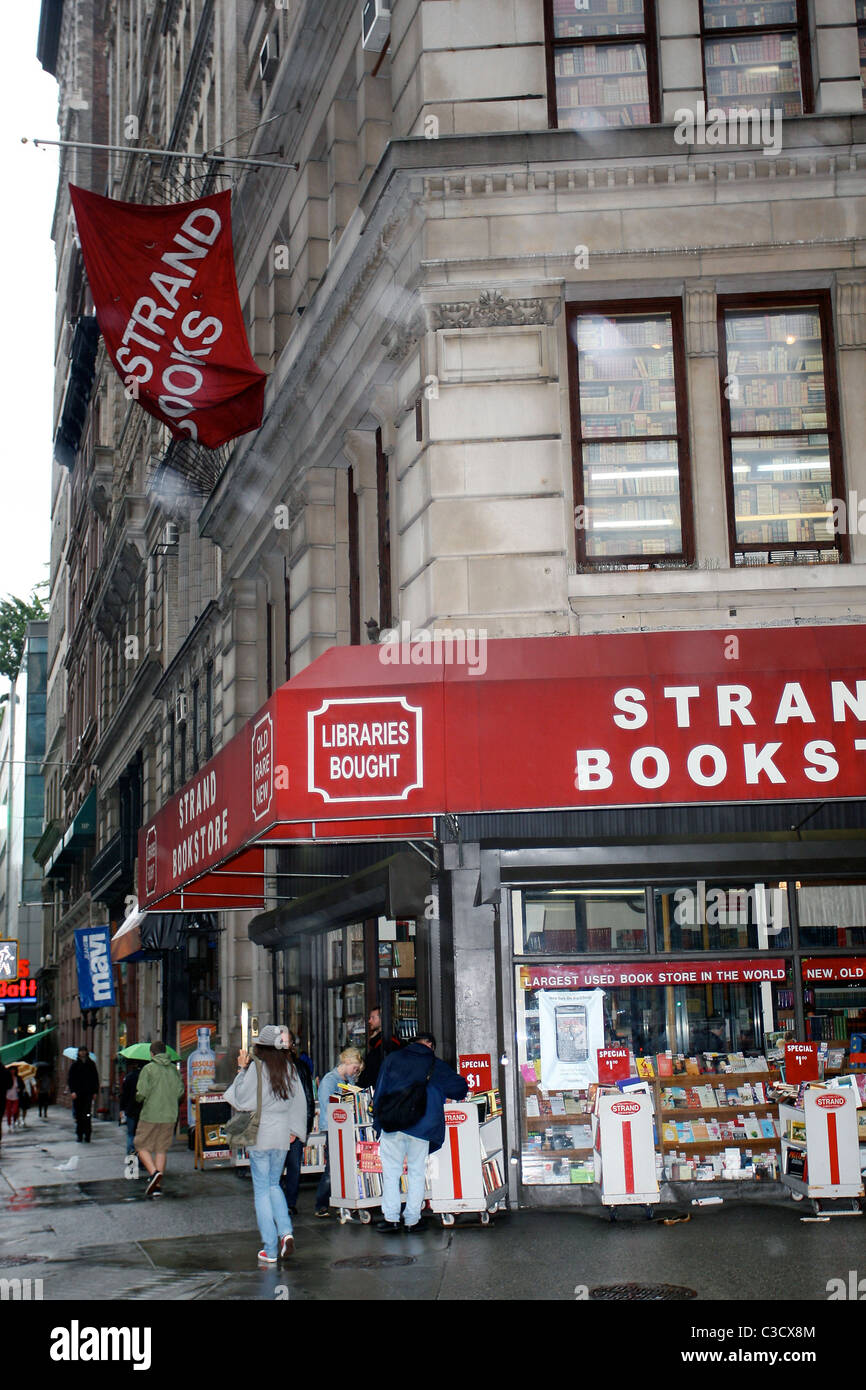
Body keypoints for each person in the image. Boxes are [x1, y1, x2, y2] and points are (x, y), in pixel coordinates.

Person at [224, 1024, 308, 1265]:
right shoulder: (289, 1068)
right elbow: (299, 1101)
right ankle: (286, 1232)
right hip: (282, 1134)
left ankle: (270, 1248)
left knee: (261, 1190)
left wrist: (241, 1069)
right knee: (274, 1185)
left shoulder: (256, 1068)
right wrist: (294, 1130)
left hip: (261, 1133)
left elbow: (241, 1100)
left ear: (260, 1046)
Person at [373, 1031, 468, 1234]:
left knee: (391, 1173)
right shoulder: (435, 1064)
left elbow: (380, 1091)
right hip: (422, 1127)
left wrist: (378, 1124)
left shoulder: (393, 1059)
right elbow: (460, 1088)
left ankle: (391, 1218)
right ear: (430, 1046)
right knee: (416, 1173)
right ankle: (412, 1220)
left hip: (393, 1124)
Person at [314, 1046, 362, 1217]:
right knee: (333, 1166)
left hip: (343, 1126)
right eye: (355, 1068)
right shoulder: (329, 1080)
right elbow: (327, 1106)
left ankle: (335, 1200)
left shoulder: (347, 1080)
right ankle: (321, 1203)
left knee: (340, 1165)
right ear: (347, 1062)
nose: (355, 1072)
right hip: (334, 1127)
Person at [134, 1041, 184, 1196]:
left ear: (151, 1054)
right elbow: (180, 1092)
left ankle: (153, 1173)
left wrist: (138, 1099)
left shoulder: (148, 1069)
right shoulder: (173, 1070)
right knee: (161, 1149)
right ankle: (157, 1186)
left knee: (140, 1145)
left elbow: (141, 1092)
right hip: (169, 1115)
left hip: (151, 1114)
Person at [279, 1030, 315, 1216]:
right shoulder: (268, 1067)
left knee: (293, 1166)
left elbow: (308, 1098)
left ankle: (290, 1203)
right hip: (276, 1127)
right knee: (276, 1168)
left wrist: (304, 1128)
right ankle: (278, 1203)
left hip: (294, 1126)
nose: (284, 1045)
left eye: (287, 1041)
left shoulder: (300, 1067)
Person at [357, 1005, 401, 1090]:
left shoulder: (387, 1045)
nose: (369, 1021)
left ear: (382, 1020)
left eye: (373, 1018)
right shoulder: (379, 1044)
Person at [67, 1047, 99, 1142]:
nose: (83, 1053)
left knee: (87, 1114)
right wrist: (72, 1091)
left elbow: (95, 1079)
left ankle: (88, 1134)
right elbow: (71, 1079)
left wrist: (95, 1092)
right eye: (81, 1051)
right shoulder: (75, 1065)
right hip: (78, 1093)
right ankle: (79, 1134)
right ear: (79, 1053)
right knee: (79, 1115)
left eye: (84, 1051)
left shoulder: (91, 1064)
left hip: (88, 1093)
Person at [120, 1063, 142, 1155]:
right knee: (141, 1136)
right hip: (142, 1109)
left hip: (130, 1109)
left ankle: (131, 1157)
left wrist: (122, 1109)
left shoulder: (129, 1077)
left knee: (131, 1134)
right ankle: (142, 1161)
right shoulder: (145, 1077)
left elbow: (124, 1095)